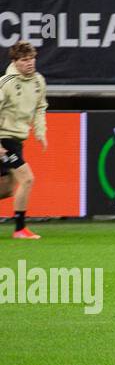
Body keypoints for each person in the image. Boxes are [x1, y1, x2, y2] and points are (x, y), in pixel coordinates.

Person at [0, 41, 47, 239]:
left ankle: (20, 229)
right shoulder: (6, 82)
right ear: (15, 62)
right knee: (27, 179)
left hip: (17, 140)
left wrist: (40, 132)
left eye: (32, 58)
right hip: (4, 138)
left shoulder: (38, 81)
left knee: (7, 189)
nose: (29, 63)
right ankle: (20, 229)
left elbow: (40, 107)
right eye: (24, 60)